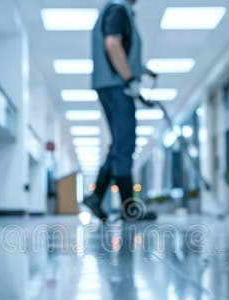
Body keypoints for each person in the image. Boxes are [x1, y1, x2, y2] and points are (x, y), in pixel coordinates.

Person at [83, 0, 156, 222]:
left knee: (119, 143)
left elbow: (119, 48)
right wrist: (130, 78)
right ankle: (129, 210)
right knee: (125, 143)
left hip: (113, 84)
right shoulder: (117, 9)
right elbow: (113, 44)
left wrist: (139, 69)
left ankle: (96, 197)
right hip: (116, 86)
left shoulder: (118, 10)